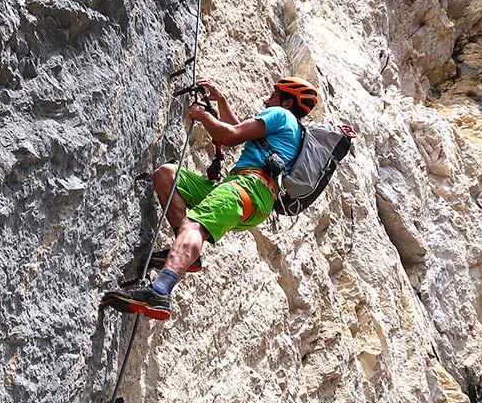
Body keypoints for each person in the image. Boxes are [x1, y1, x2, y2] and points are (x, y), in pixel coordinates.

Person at [102, 76, 319, 320]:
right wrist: (222, 101)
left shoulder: (280, 114)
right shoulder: (292, 130)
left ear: (287, 102)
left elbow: (231, 136)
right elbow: (240, 131)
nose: (268, 99)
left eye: (274, 94)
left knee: (194, 225)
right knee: (166, 175)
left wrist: (203, 116)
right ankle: (187, 254)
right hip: (253, 196)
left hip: (247, 188)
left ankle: (160, 292)